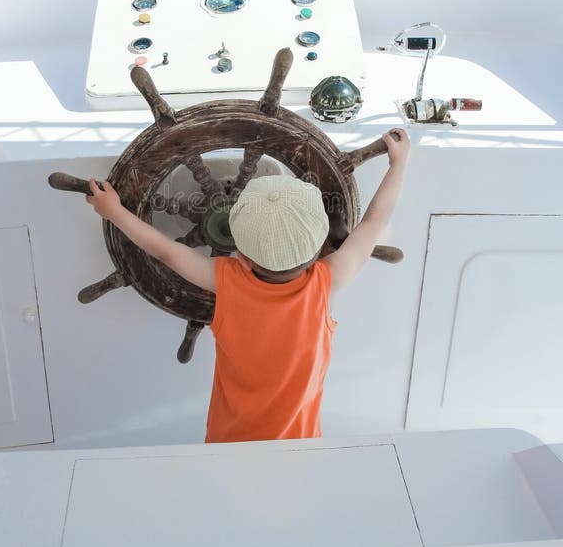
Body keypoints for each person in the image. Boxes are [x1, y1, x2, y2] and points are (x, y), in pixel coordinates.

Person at [85, 127, 410, 444]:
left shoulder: (225, 279)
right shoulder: (329, 281)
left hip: (227, 442)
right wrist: (398, 163)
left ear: (239, 252)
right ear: (317, 248)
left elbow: (167, 251)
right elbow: (374, 222)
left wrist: (114, 212)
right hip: (300, 444)